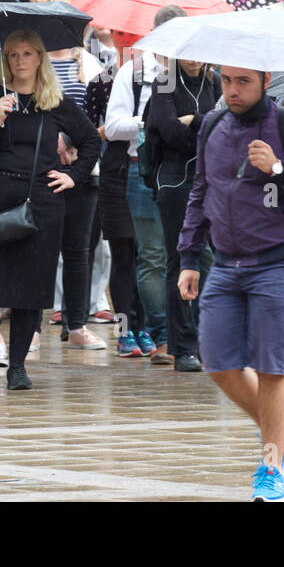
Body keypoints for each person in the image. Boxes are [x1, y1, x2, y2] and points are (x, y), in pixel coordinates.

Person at [177, 64, 284, 501]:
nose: (233, 90)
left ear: (265, 80)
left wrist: (279, 169)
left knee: (273, 366)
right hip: (227, 262)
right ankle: (283, 430)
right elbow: (200, 192)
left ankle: (272, 470)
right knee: (216, 360)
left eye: (243, 81)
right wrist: (189, 256)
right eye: (226, 81)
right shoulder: (211, 125)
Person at [0, 30, 100, 392]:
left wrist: (73, 176)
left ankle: (18, 367)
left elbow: (91, 140)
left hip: (41, 200)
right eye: (13, 55)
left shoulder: (54, 100)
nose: (20, 61)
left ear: (39, 59)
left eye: (27, 54)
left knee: (30, 286)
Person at [144, 7, 221, 371]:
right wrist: (202, 128)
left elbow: (228, 124)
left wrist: (197, 121)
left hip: (215, 180)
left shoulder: (217, 82)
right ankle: (182, 345)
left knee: (217, 258)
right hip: (175, 180)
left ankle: (212, 339)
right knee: (181, 258)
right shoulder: (164, 84)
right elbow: (168, 132)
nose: (193, 59)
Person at [45, 1, 106, 351]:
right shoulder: (35, 65)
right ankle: (36, 325)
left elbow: (98, 115)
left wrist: (73, 142)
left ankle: (77, 323)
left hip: (84, 167)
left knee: (79, 249)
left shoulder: (92, 64)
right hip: (45, 166)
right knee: (42, 247)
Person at [105, 40, 169, 359]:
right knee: (124, 254)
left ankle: (146, 329)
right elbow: (113, 126)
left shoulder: (186, 75)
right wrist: (150, 124)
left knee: (151, 255)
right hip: (124, 170)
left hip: (161, 174)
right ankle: (123, 331)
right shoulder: (133, 72)